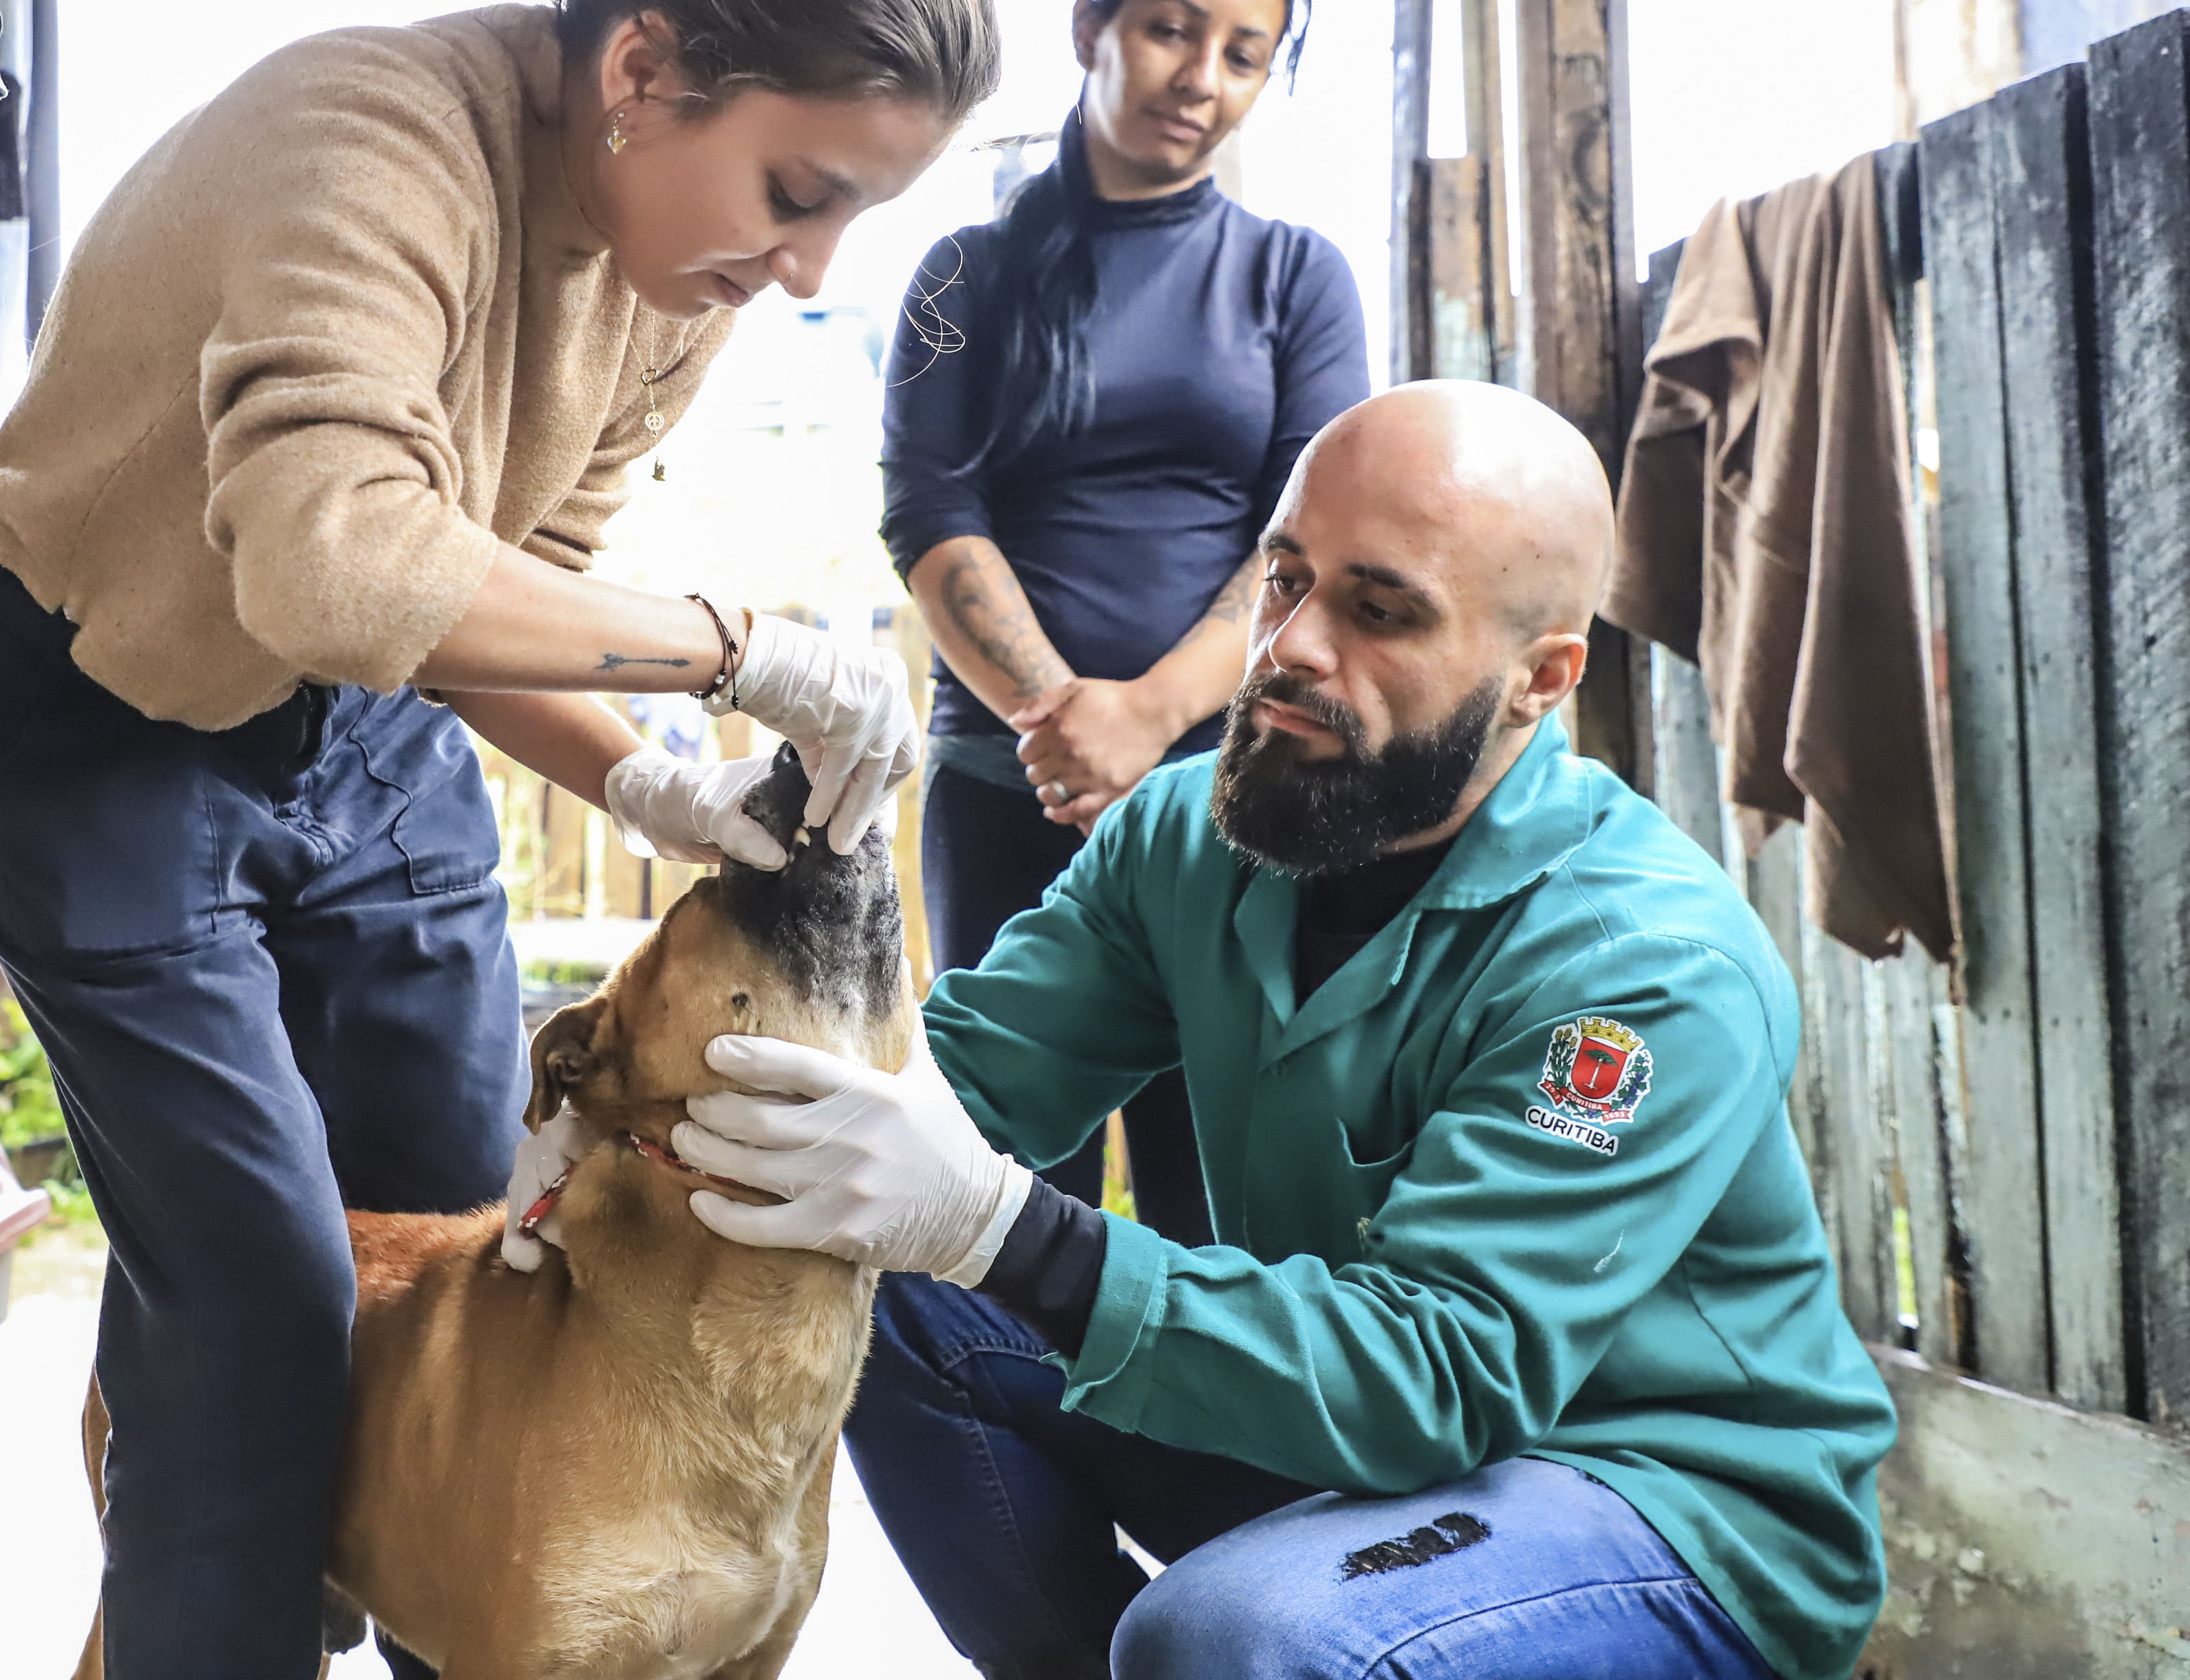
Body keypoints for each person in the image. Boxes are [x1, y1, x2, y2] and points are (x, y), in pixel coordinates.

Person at [0, 0, 1001, 1672]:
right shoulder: (366, 137)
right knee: (260, 1297)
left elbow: (486, 593)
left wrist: (660, 783)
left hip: (355, 727)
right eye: (799, 193)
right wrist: (725, 647)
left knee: (460, 1232)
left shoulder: (677, 266)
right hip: (94, 718)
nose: (816, 269)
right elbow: (342, 561)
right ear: (644, 71)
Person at [666, 382, 1897, 1680]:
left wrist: (1003, 1229)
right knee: (884, 1275)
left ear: (1540, 680)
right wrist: (773, 927)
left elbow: (1440, 1378)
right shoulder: (1188, 836)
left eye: (1381, 611)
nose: (1294, 647)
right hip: (1345, 1431)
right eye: (1287, 580)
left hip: (1657, 1504)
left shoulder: (1644, 968)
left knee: (1241, 1636)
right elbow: (942, 1098)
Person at [880, 0, 1368, 1238]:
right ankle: (1017, 1453)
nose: (1198, 78)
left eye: (1242, 54)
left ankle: (1216, 1458)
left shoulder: (1295, 280)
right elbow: (930, 510)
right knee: (997, 1190)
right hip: (1005, 792)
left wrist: (1149, 724)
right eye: (1168, 29)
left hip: (1233, 798)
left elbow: (1308, 530)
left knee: (1223, 1183)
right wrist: (1063, 729)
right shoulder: (961, 276)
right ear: (1091, 24)